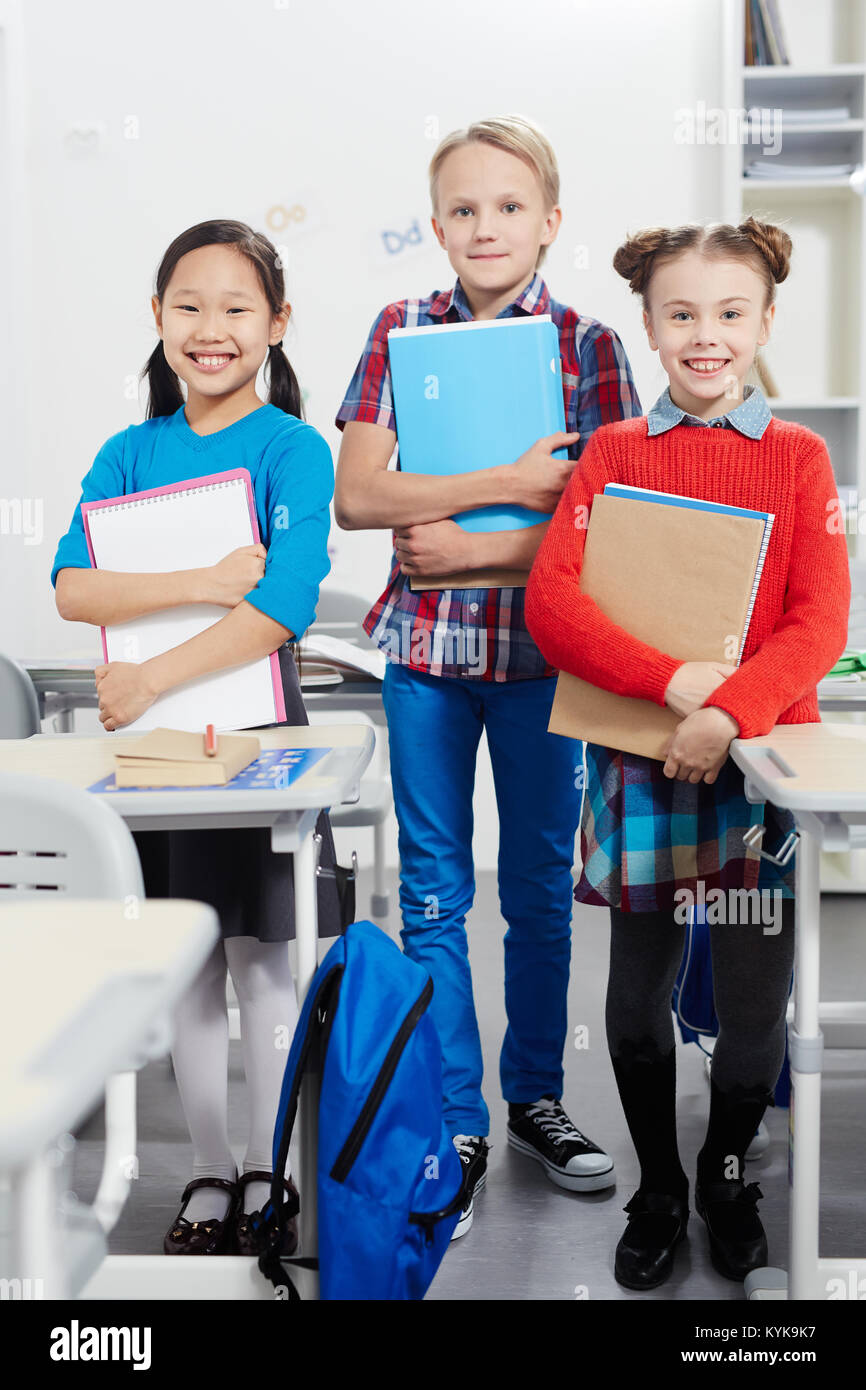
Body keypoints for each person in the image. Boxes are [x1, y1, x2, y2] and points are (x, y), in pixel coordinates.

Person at [525, 216, 850, 1288]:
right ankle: (658, 1183)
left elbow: (819, 620)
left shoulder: (798, 459)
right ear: (650, 325)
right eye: (679, 314)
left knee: (755, 1005)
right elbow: (553, 605)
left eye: (727, 313)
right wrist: (672, 688)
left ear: (762, 321)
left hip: (758, 772)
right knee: (633, 995)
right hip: (640, 757)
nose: (703, 336)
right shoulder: (614, 453)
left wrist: (729, 713)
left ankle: (722, 1173)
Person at [334, 115, 641, 1237]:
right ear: (435, 226)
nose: (485, 225)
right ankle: (454, 1114)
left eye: (508, 206)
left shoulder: (590, 346)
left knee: (537, 894)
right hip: (423, 657)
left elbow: (607, 520)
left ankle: (534, 1099)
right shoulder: (396, 328)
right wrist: (511, 481)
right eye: (462, 208)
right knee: (431, 888)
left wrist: (467, 535)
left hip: (539, 660)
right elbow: (359, 497)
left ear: (548, 221)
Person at [52, 219, 340, 1255]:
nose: (210, 329)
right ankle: (209, 1173)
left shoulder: (292, 449)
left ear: (276, 324)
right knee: (186, 960)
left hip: (253, 739)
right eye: (189, 306)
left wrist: (153, 675)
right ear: (158, 317)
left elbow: (285, 603)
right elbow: (74, 584)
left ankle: (272, 1169)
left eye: (235, 308)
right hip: (155, 746)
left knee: (266, 958)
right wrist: (201, 580)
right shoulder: (126, 453)